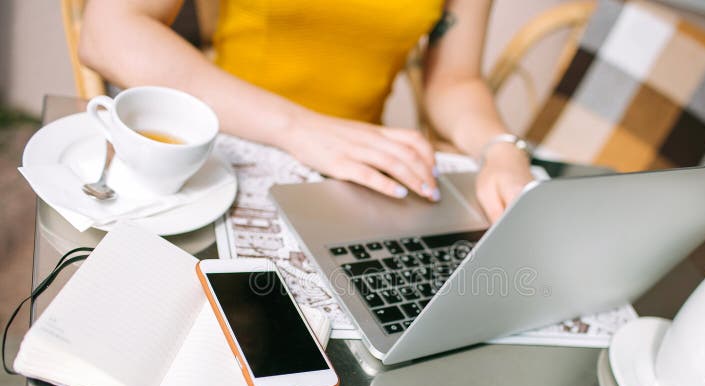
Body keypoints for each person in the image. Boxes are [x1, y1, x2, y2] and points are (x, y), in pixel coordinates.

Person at [79, 0, 533, 221]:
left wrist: (502, 149)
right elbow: (108, 31)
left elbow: (454, 78)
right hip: (230, 148)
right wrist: (299, 128)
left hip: (354, 172)